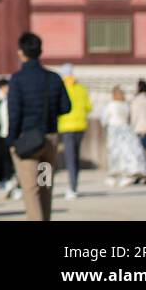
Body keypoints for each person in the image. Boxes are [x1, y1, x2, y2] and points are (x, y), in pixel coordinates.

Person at [6, 32, 71, 221]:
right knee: (45, 187)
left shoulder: (18, 80)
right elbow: (66, 107)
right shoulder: (54, 78)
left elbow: (14, 114)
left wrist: (11, 140)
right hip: (49, 141)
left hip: (27, 143)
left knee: (31, 189)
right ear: (40, 51)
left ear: (21, 52)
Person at [101, 86, 146, 187]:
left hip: (114, 130)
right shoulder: (126, 105)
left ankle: (117, 175)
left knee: (117, 153)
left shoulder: (111, 105)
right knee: (129, 151)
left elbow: (104, 119)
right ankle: (126, 174)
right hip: (127, 130)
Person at [56, 63, 92, 199]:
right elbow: (89, 106)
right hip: (81, 126)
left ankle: (71, 188)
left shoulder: (61, 87)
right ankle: (74, 185)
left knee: (68, 158)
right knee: (75, 157)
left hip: (65, 126)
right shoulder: (81, 88)